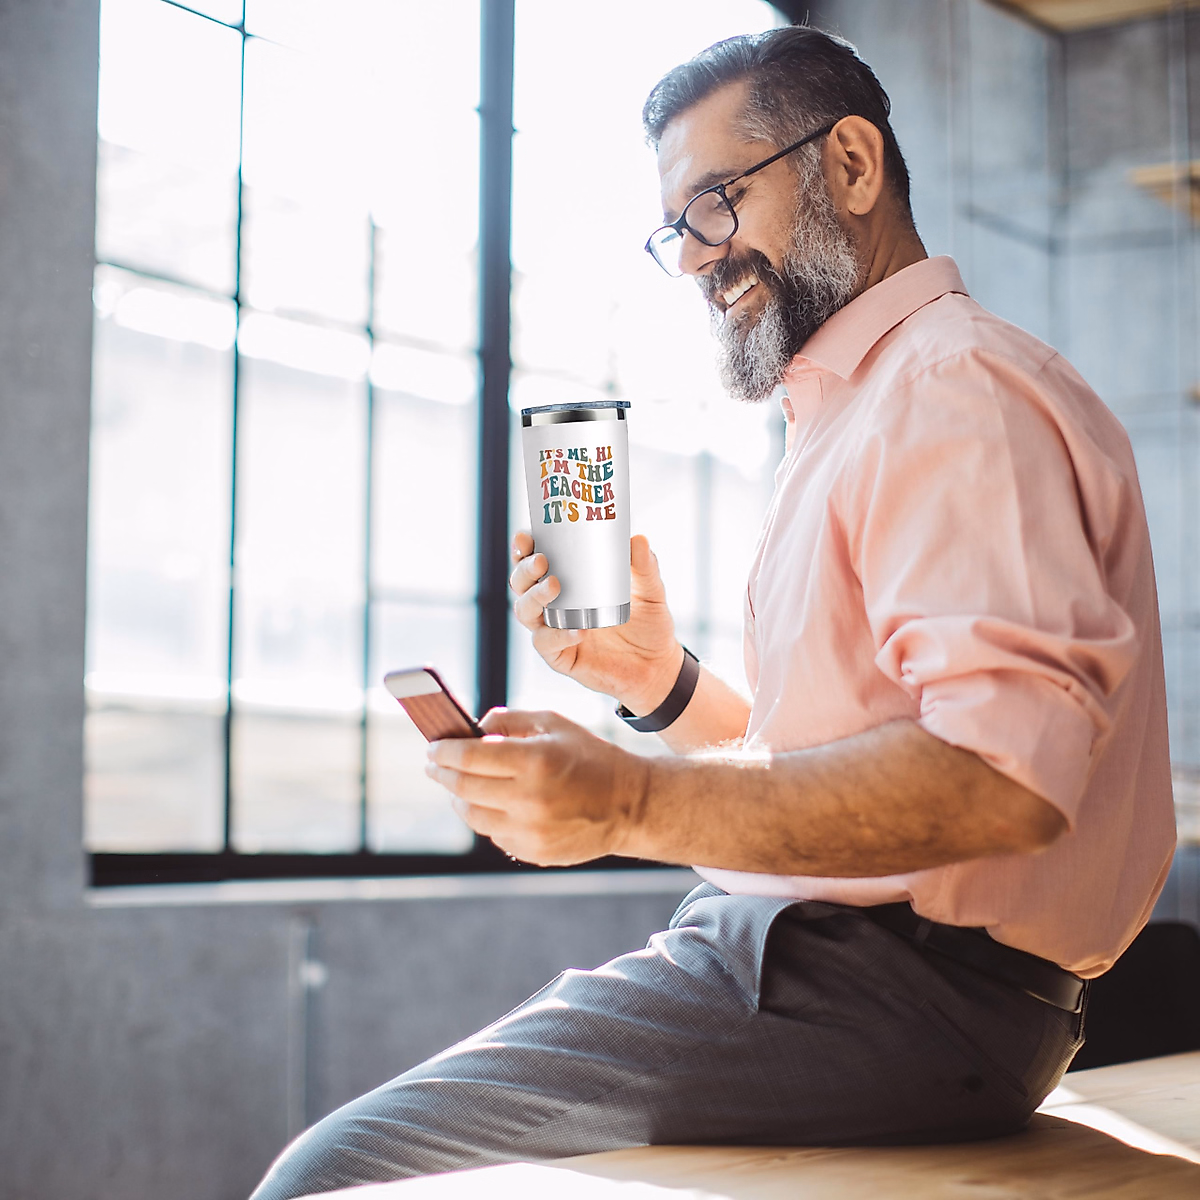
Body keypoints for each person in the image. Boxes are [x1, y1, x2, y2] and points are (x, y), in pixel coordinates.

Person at [250, 26, 1175, 1198]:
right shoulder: (862, 410)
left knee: (333, 1173)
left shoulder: (951, 388)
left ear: (850, 163)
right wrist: (661, 685)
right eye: (673, 228)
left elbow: (998, 780)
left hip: (883, 993)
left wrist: (626, 802)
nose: (692, 257)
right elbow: (845, 771)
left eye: (717, 205)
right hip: (868, 983)